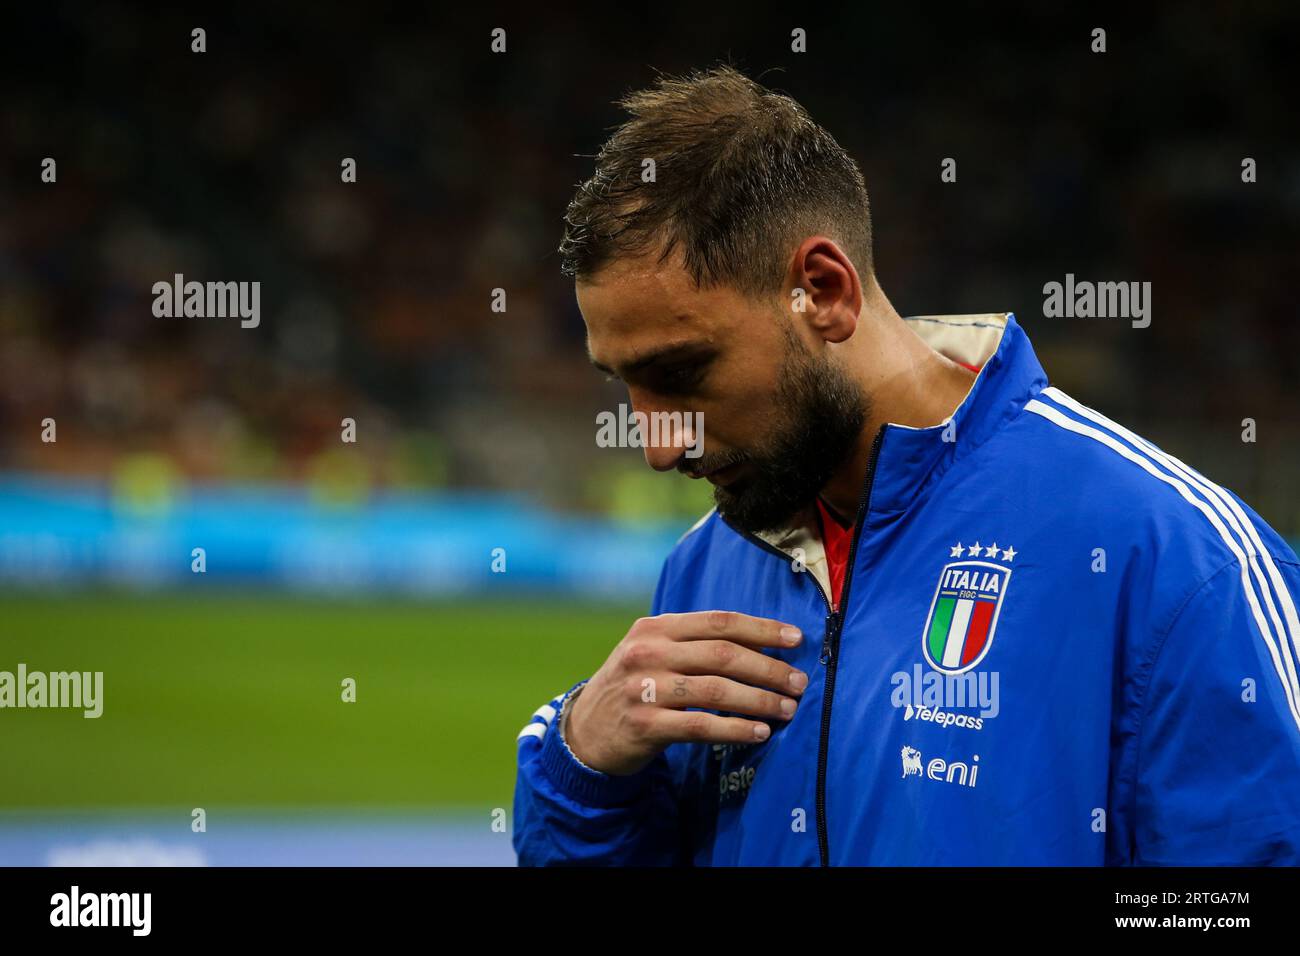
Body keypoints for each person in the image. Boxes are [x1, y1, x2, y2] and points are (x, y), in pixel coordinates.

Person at [513, 65, 1300, 865]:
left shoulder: (1175, 560)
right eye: (625, 386)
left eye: (681, 375)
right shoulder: (707, 566)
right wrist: (584, 768)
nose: (656, 445)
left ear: (822, 291)